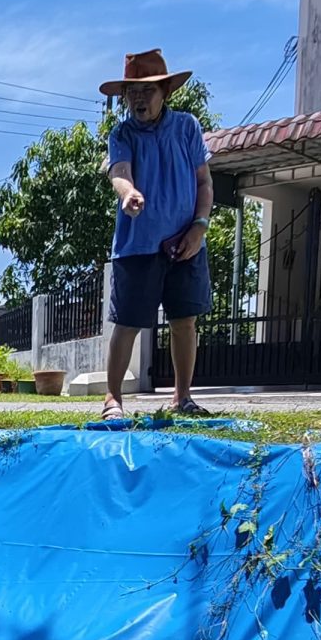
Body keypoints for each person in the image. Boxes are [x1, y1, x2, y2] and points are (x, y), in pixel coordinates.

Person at [98, 49, 214, 419]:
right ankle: (112, 399)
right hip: (137, 246)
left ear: (165, 91)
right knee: (128, 323)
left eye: (146, 91)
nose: (138, 99)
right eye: (131, 92)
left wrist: (199, 226)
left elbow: (204, 182)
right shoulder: (122, 133)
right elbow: (118, 171)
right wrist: (128, 192)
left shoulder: (187, 128)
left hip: (186, 242)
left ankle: (183, 398)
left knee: (185, 321)